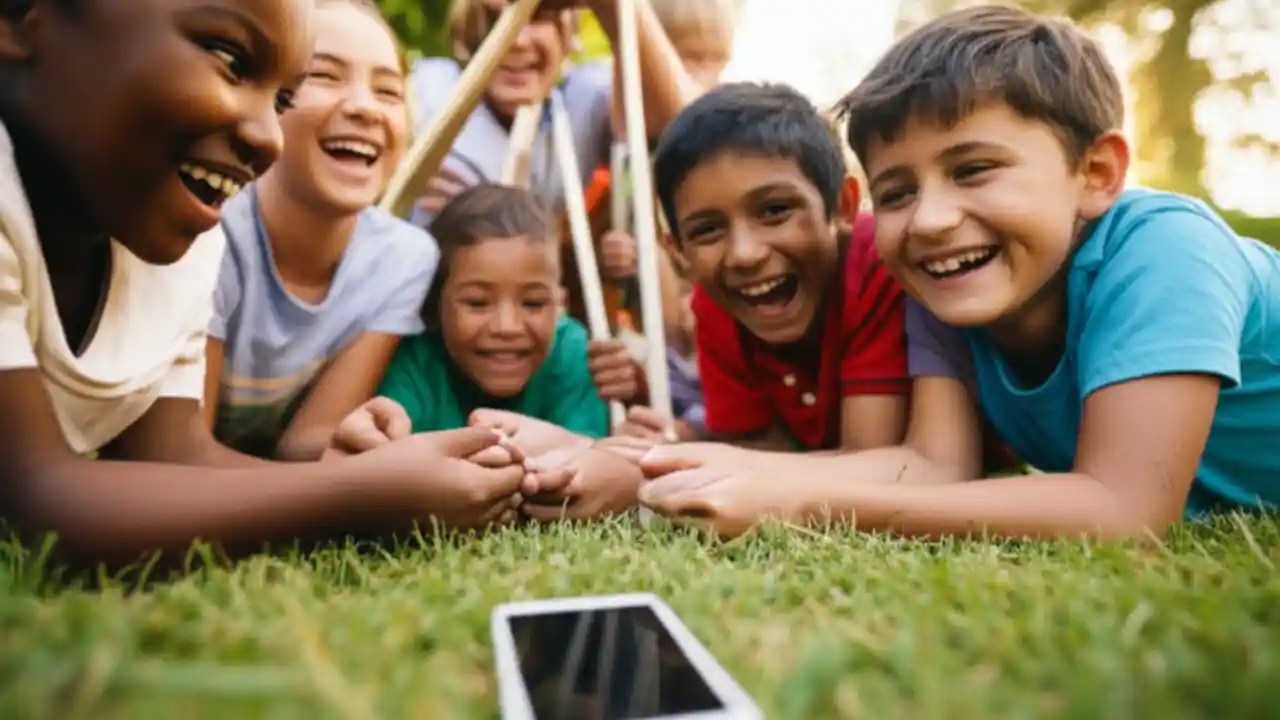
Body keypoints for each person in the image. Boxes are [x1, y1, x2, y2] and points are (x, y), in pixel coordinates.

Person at [638, 5, 1280, 541]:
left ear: (1097, 173)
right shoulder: (941, 284)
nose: (929, 221)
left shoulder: (1167, 250)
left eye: (972, 169)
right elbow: (932, 468)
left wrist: (801, 505)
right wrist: (701, 468)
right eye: (896, 192)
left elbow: (1124, 510)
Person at [0, 0, 524, 567]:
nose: (265, 135)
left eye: (281, 99)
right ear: (22, 17)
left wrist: (372, 474)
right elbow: (31, 498)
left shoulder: (182, 239)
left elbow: (176, 460)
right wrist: (364, 495)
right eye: (228, 58)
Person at [206, 0, 440, 461]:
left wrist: (374, 450)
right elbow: (178, 456)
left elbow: (306, 445)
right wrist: (330, 490)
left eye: (388, 92)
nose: (365, 108)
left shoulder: (404, 259)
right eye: (325, 76)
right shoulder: (213, 229)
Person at [638, 82, 912, 452]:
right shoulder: (716, 305)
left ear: (842, 204)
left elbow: (870, 460)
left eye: (775, 210)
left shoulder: (878, 263)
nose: (745, 254)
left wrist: (675, 468)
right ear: (679, 250)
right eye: (707, 230)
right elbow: (760, 450)